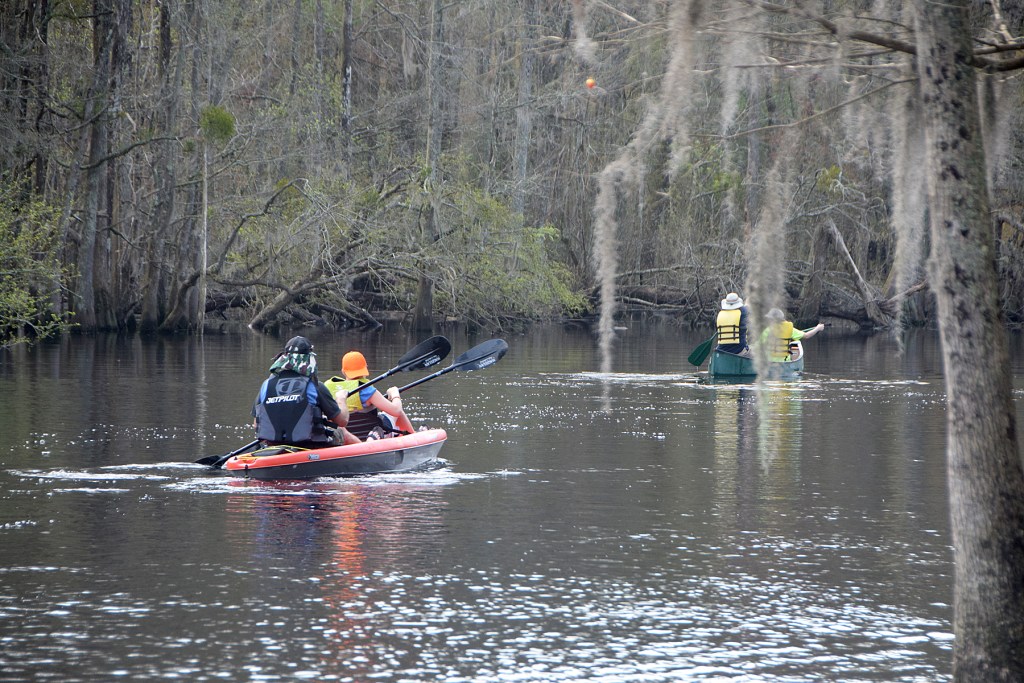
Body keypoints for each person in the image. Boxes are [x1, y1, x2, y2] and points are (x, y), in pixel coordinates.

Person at [252, 336, 359, 447]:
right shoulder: (315, 386)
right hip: (308, 446)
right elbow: (342, 421)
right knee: (341, 431)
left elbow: (256, 424)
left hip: (273, 445)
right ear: (308, 359)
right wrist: (341, 399)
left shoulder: (266, 385)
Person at [324, 351, 416, 440]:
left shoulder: (328, 389)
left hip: (344, 436)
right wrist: (395, 394)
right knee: (396, 411)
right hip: (371, 435)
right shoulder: (367, 390)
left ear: (343, 371)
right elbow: (396, 411)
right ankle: (414, 437)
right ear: (366, 368)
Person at [761, 308, 825, 361]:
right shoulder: (790, 329)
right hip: (784, 361)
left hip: (770, 361)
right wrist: (817, 328)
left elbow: (757, 345)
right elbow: (806, 335)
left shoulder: (768, 330)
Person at [716, 292, 751, 356]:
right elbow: (747, 306)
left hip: (721, 350)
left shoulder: (721, 313)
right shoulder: (742, 312)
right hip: (739, 351)